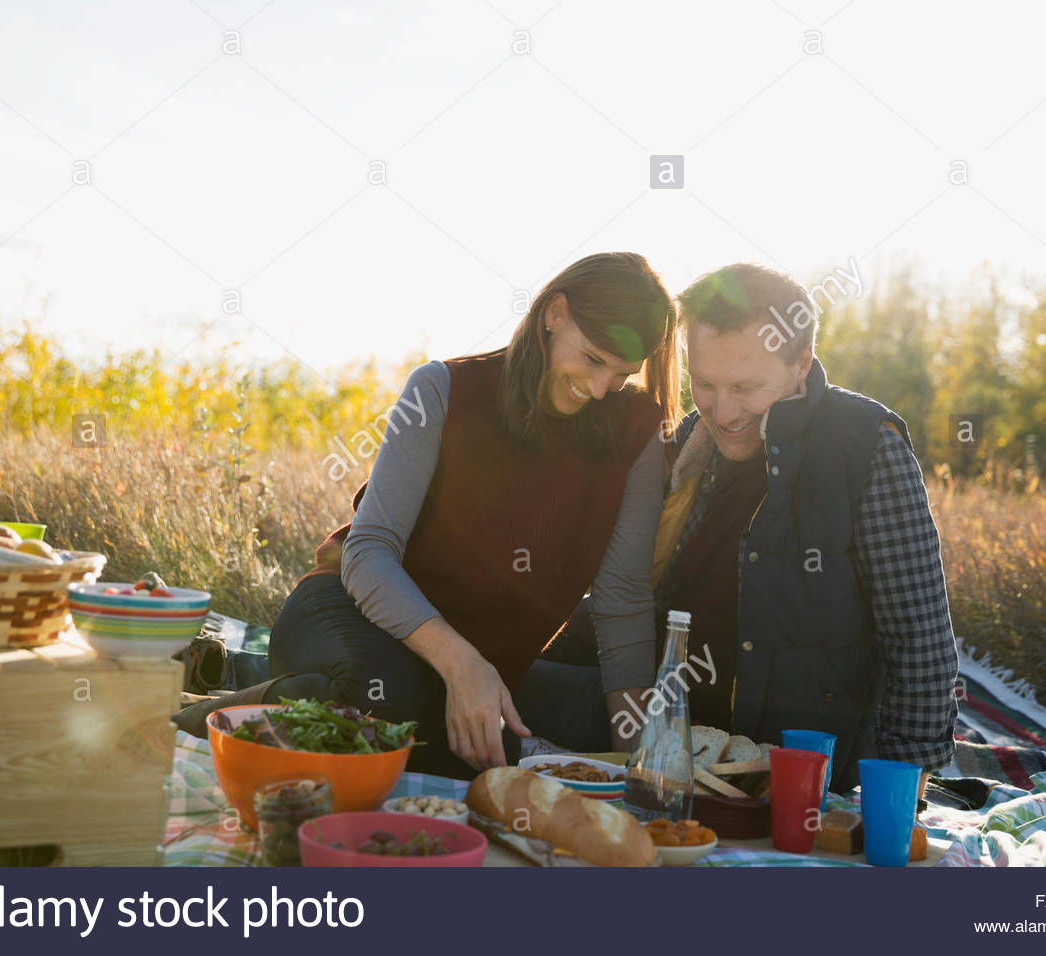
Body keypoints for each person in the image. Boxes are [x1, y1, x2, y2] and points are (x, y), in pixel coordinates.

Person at [174, 252, 680, 780]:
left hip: (481, 667)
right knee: (387, 701)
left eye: (621, 374)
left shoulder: (636, 431)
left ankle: (251, 679)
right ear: (555, 313)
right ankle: (210, 718)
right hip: (352, 617)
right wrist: (462, 665)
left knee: (615, 722)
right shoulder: (443, 390)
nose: (600, 389)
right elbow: (369, 552)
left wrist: (634, 766)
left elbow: (622, 597)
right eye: (593, 359)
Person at [547, 262, 959, 798]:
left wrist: (905, 800)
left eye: (746, 387)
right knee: (495, 681)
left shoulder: (865, 447)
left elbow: (920, 640)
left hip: (798, 768)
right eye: (705, 383)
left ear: (800, 363)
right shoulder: (688, 445)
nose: (723, 410)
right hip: (673, 736)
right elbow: (635, 597)